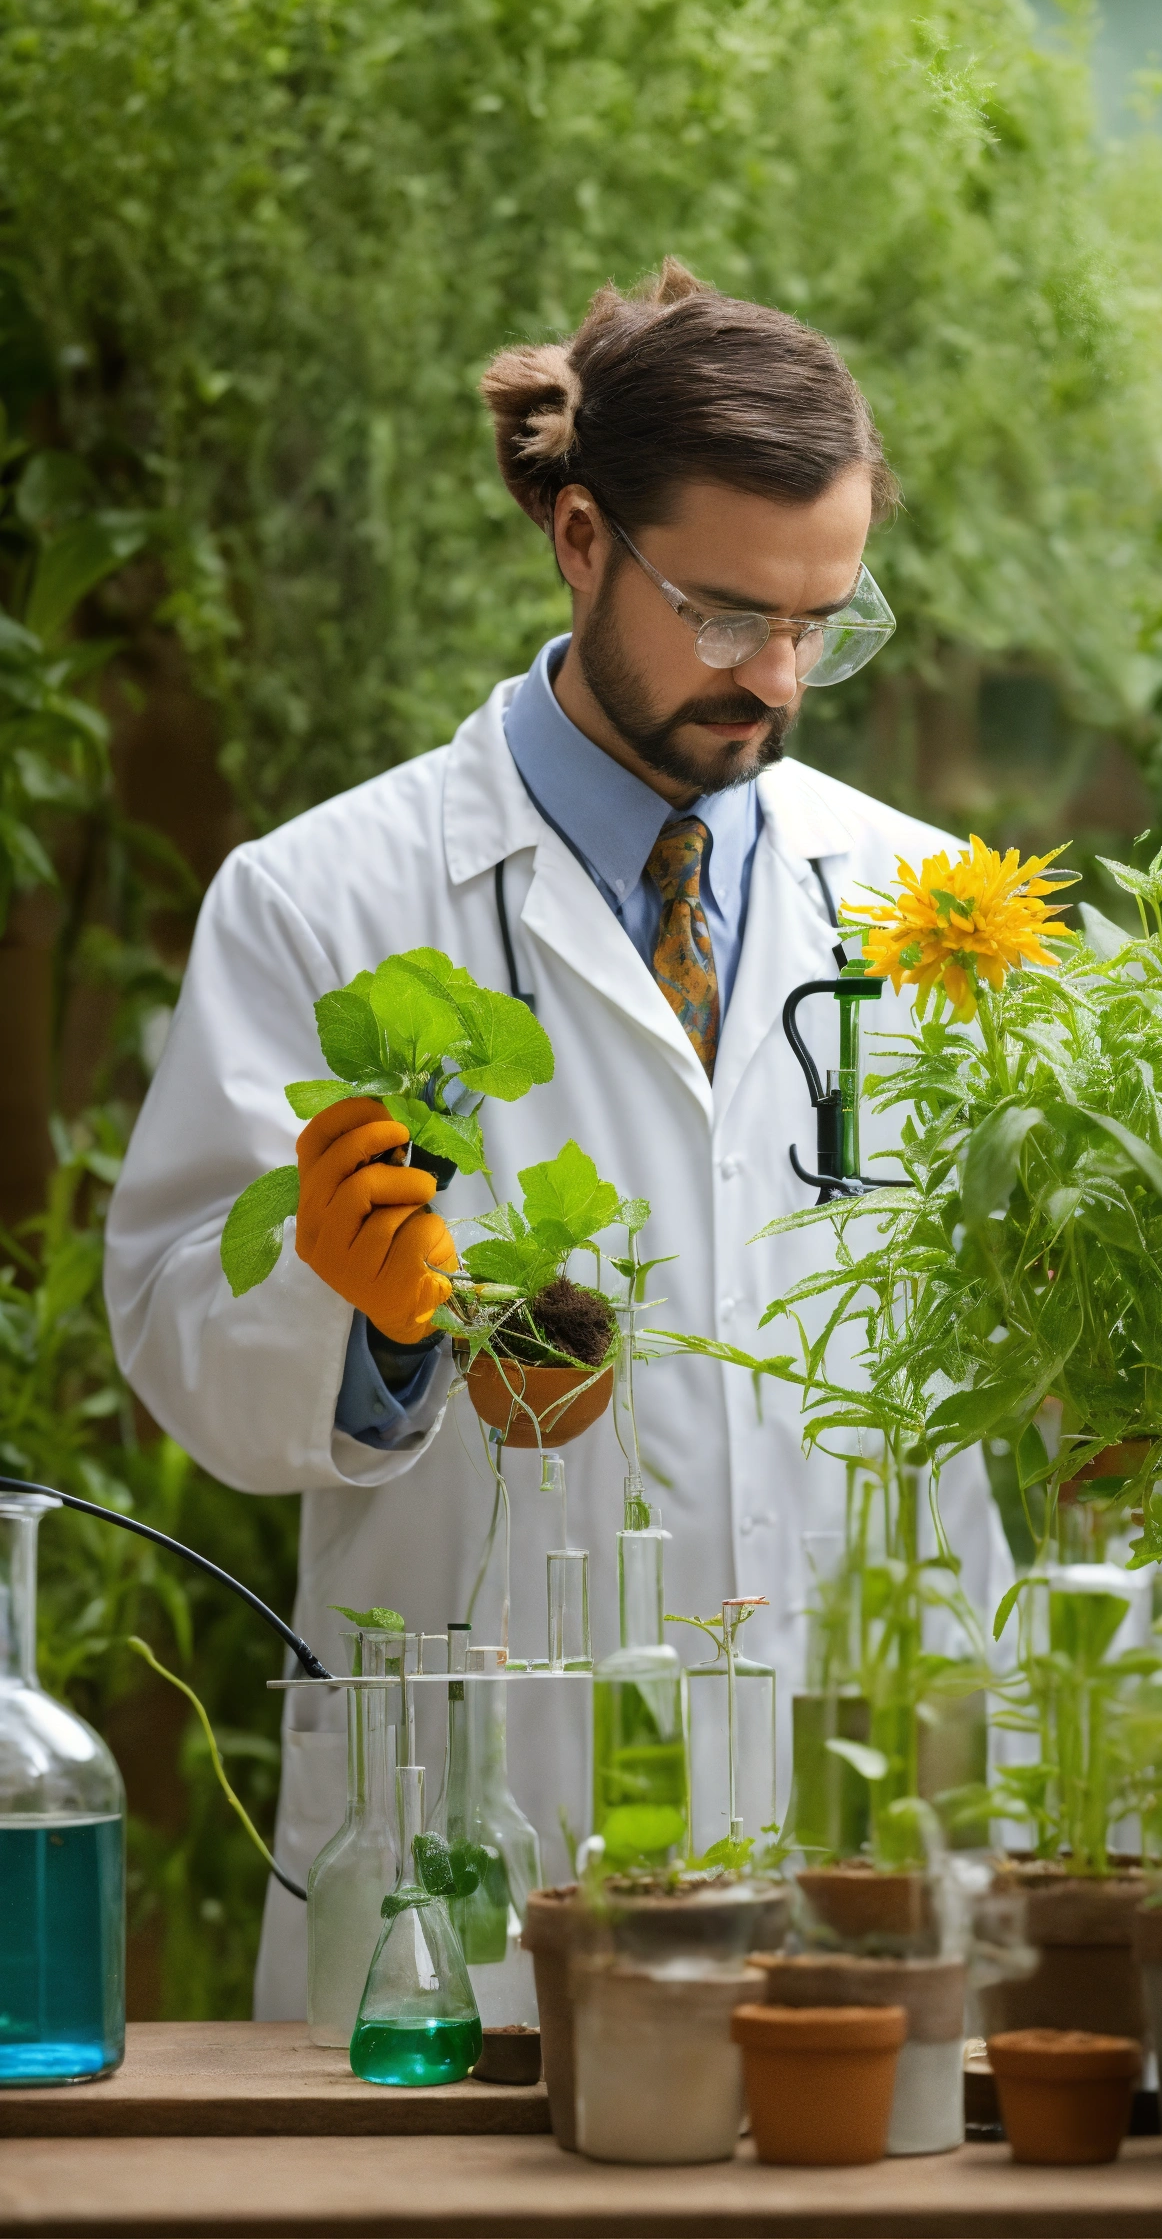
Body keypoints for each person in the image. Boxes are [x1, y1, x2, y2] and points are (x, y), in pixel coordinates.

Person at [104, 259, 1011, 2018]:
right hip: (482, 1848)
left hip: (868, 1839)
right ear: (582, 540)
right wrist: (354, 1322)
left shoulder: (930, 909)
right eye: (728, 614)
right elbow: (190, 1360)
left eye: (828, 621)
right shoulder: (318, 901)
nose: (781, 678)